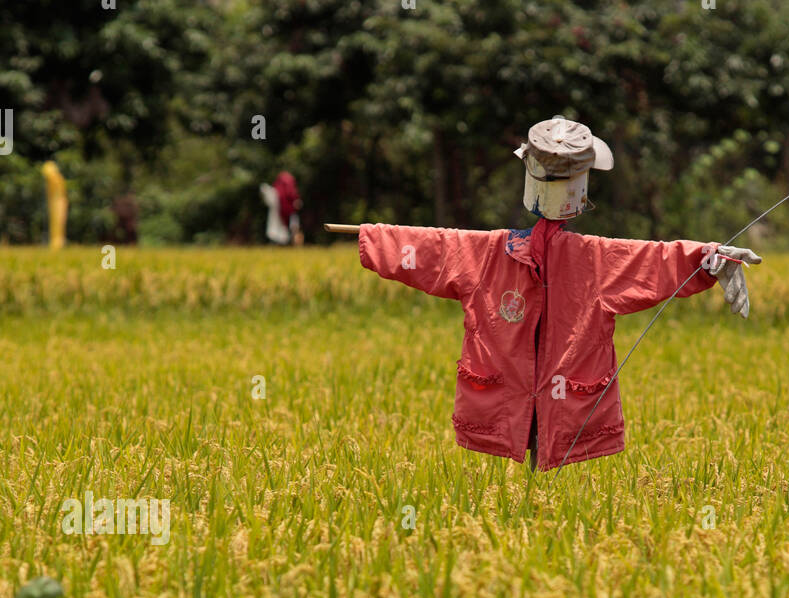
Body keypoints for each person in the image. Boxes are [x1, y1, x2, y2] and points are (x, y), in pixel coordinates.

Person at [355, 115, 760, 471]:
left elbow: (652, 261)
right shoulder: (490, 253)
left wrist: (705, 259)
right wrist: (375, 240)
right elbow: (425, 249)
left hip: (572, 411)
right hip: (501, 406)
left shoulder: (587, 259)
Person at [260, 171, 303, 245]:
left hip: (289, 218)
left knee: (290, 231)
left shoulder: (289, 195)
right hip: (279, 218)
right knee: (279, 234)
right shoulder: (276, 193)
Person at [42, 161, 68, 250]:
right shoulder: (52, 180)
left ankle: (58, 243)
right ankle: (55, 243)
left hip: (59, 204)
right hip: (54, 204)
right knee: (54, 225)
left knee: (58, 224)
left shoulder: (56, 179)